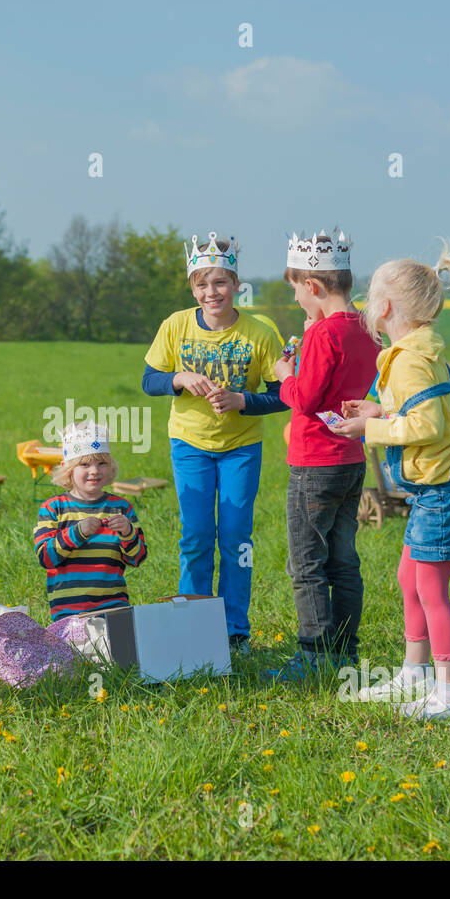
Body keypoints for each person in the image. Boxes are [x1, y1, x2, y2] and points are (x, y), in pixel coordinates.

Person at [330, 242, 450, 720]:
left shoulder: (410, 360)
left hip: (445, 492)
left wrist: (372, 429)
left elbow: (430, 428)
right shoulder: (413, 353)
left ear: (384, 308)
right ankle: (415, 675)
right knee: (410, 578)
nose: (364, 303)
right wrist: (379, 410)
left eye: (368, 296)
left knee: (431, 590)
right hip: (435, 490)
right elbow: (420, 413)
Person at [142, 232, 286, 653]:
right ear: (192, 288)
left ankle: (234, 630)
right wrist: (178, 378)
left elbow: (284, 394)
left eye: (220, 282)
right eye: (202, 284)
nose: (211, 292)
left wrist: (243, 400)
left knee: (237, 537)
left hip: (241, 447)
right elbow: (149, 380)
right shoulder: (176, 325)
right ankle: (194, 625)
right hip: (189, 445)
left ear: (237, 284)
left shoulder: (261, 332)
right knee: (197, 535)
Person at [269, 230, 380, 679]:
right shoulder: (366, 329)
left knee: (306, 562)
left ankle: (314, 656)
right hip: (352, 458)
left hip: (315, 461)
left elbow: (308, 398)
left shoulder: (322, 335)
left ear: (312, 286)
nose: (296, 300)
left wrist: (283, 376)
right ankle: (346, 651)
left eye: (296, 290)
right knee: (343, 559)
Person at [34, 423, 147, 620]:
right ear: (68, 469)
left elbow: (137, 558)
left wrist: (128, 532)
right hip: (69, 613)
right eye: (85, 465)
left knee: (121, 650)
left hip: (114, 608)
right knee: (77, 652)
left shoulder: (121, 507)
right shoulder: (54, 508)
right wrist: (77, 533)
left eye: (102, 463)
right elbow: (46, 557)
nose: (95, 471)